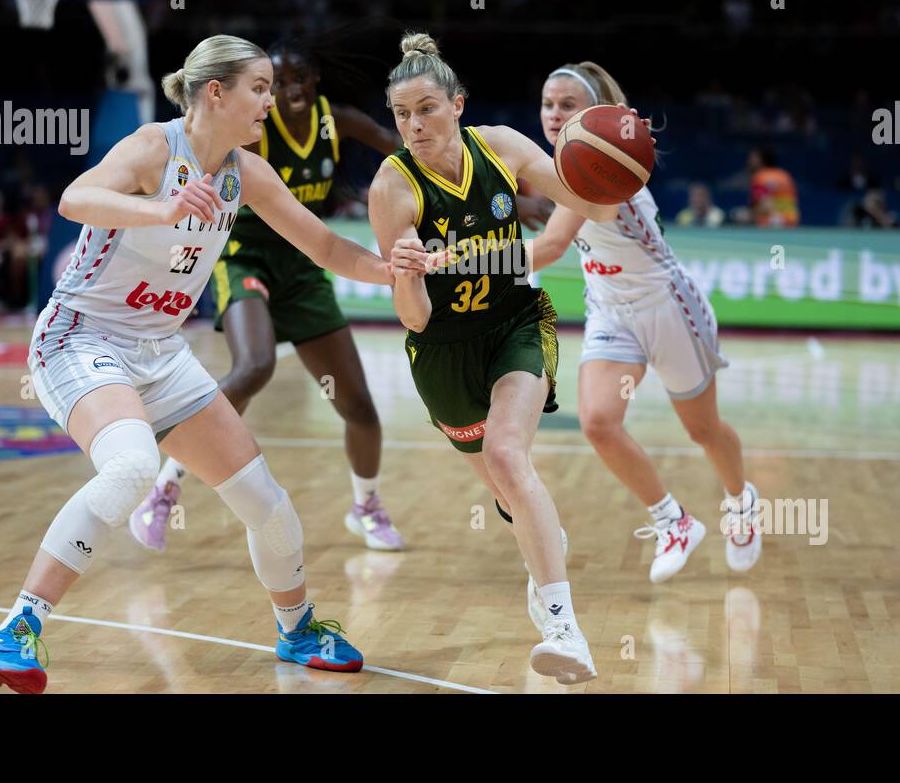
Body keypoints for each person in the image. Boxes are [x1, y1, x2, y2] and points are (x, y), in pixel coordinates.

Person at [0, 35, 396, 693]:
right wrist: (159, 207)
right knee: (133, 464)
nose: (270, 100)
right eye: (258, 88)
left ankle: (298, 625)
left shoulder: (246, 173)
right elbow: (75, 199)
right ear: (215, 93)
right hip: (83, 338)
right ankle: (15, 630)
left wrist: (394, 269)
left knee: (269, 505)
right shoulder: (152, 148)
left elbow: (325, 246)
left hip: (161, 353)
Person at [367, 33, 622, 685]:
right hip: (441, 352)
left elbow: (585, 199)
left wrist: (612, 169)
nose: (414, 125)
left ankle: (563, 626)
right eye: (401, 114)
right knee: (510, 493)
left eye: (426, 109)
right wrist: (407, 275)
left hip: (514, 323)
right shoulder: (393, 186)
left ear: (457, 104)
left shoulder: (501, 146)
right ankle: (541, 544)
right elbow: (416, 318)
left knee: (509, 455)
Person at [129, 39, 407, 553]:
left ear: (315, 80)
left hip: (303, 267)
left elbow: (399, 149)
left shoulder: (335, 121)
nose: (291, 89)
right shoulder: (252, 136)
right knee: (255, 366)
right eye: (276, 84)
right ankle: (166, 487)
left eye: (300, 77)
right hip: (245, 256)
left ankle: (365, 505)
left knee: (359, 407)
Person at [526, 61, 761, 585]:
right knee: (598, 422)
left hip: (667, 306)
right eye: (548, 103)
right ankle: (673, 521)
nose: (554, 113)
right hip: (611, 308)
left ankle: (740, 499)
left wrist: (467, 260)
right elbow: (540, 203)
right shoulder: (565, 165)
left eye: (567, 104)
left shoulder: (606, 167)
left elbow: (551, 245)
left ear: (593, 114)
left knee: (703, 429)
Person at [748, 146, 799, 227]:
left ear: (761, 159)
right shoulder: (785, 176)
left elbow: (764, 206)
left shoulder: (760, 177)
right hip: (791, 222)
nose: (749, 161)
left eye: (752, 158)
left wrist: (747, 216)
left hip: (768, 224)